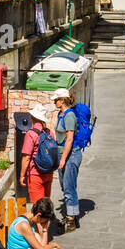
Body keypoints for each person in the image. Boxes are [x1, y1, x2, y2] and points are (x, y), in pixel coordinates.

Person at [54, 90, 83, 232]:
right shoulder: (61, 114)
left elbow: (69, 138)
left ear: (62, 100)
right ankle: (72, 214)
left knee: (69, 187)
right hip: (63, 155)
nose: (54, 102)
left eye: (56, 99)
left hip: (71, 156)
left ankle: (71, 220)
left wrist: (63, 159)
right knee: (65, 186)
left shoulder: (69, 115)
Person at [19, 104, 59, 205]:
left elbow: (27, 157)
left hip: (35, 173)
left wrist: (22, 175)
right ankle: (47, 220)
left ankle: (40, 221)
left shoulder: (31, 134)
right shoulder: (49, 133)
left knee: (38, 206)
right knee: (46, 204)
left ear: (33, 117)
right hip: (49, 172)